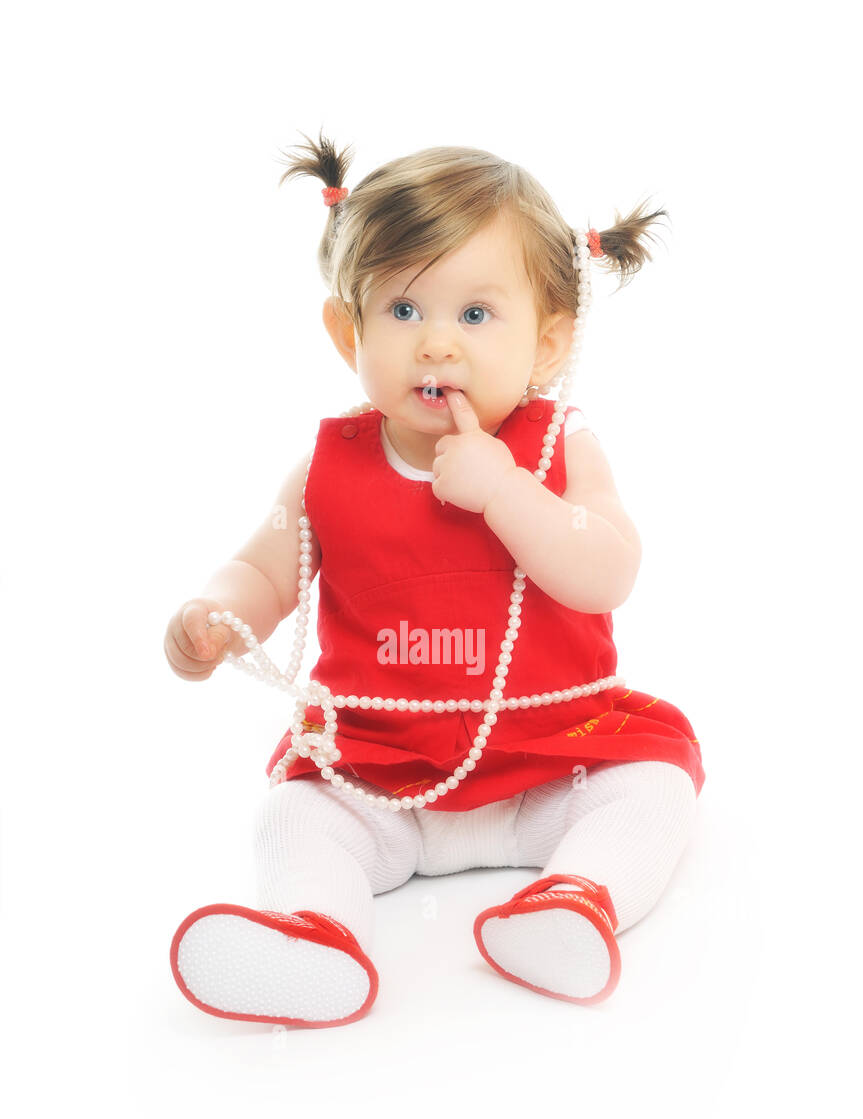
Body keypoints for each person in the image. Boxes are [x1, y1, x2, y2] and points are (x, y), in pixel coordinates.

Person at [164, 130, 705, 1027]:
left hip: (546, 762)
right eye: (405, 312)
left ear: (547, 346)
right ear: (349, 332)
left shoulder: (555, 449)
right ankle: (314, 934)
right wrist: (216, 614)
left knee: (655, 788)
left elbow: (607, 571)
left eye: (477, 316)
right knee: (293, 816)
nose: (437, 347)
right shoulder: (327, 468)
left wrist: (505, 492)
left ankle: (574, 902)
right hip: (382, 777)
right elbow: (265, 563)